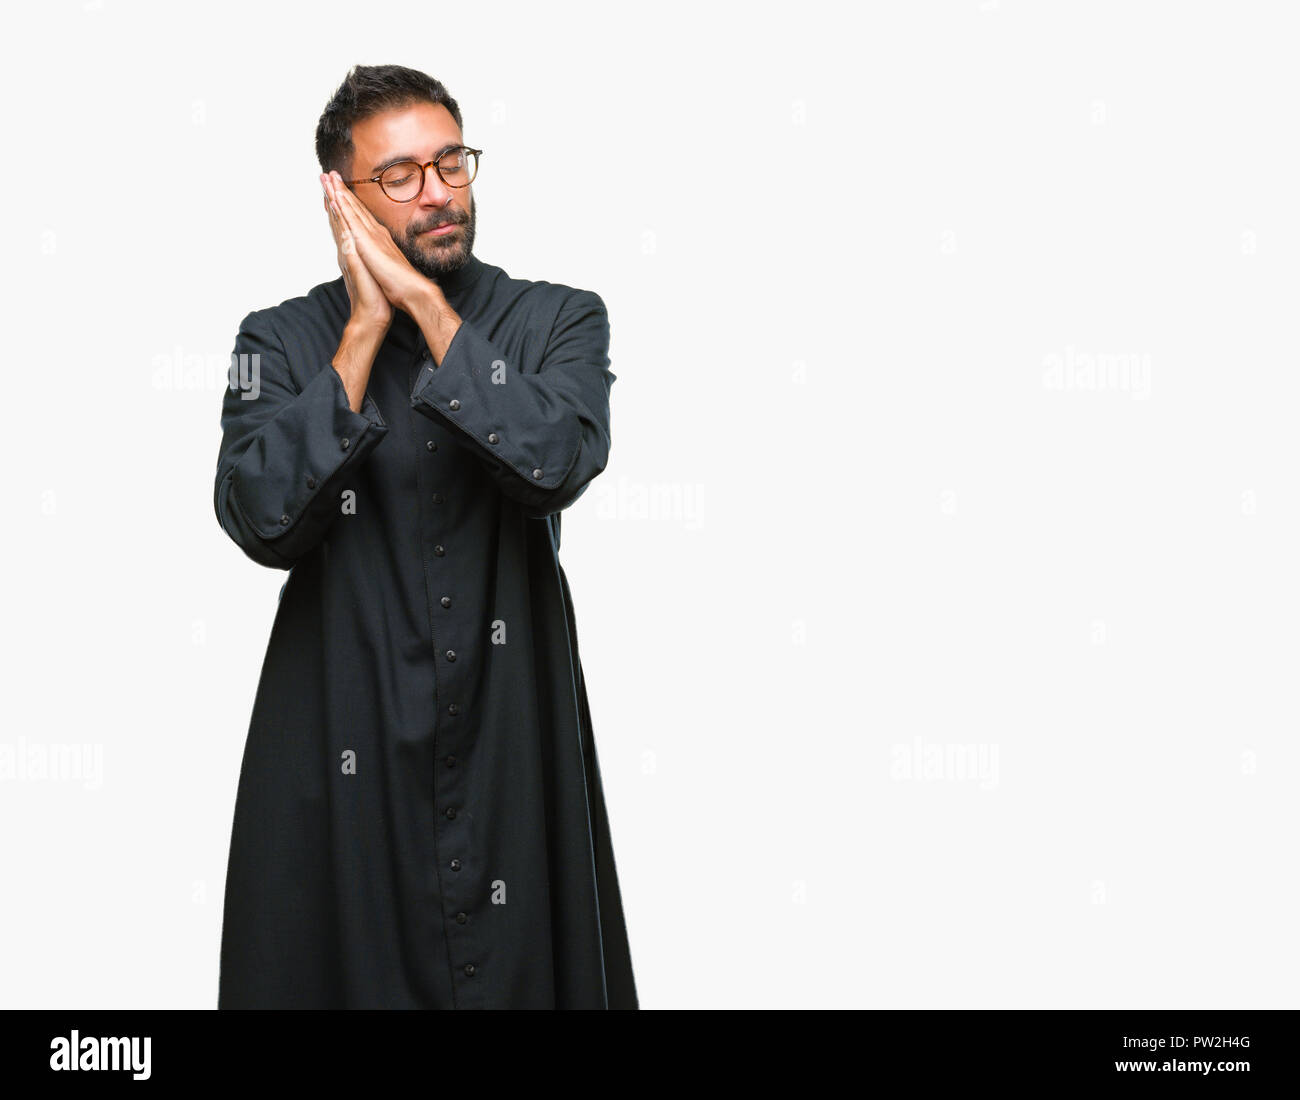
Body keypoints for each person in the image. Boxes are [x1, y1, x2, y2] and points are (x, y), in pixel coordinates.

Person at [213, 63, 637, 1009]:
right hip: (337, 742)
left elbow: (555, 461)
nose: (438, 191)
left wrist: (432, 315)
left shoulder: (558, 320)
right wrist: (364, 332)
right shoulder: (271, 343)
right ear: (341, 197)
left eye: (451, 161)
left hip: (508, 742)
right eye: (400, 176)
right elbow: (258, 513)